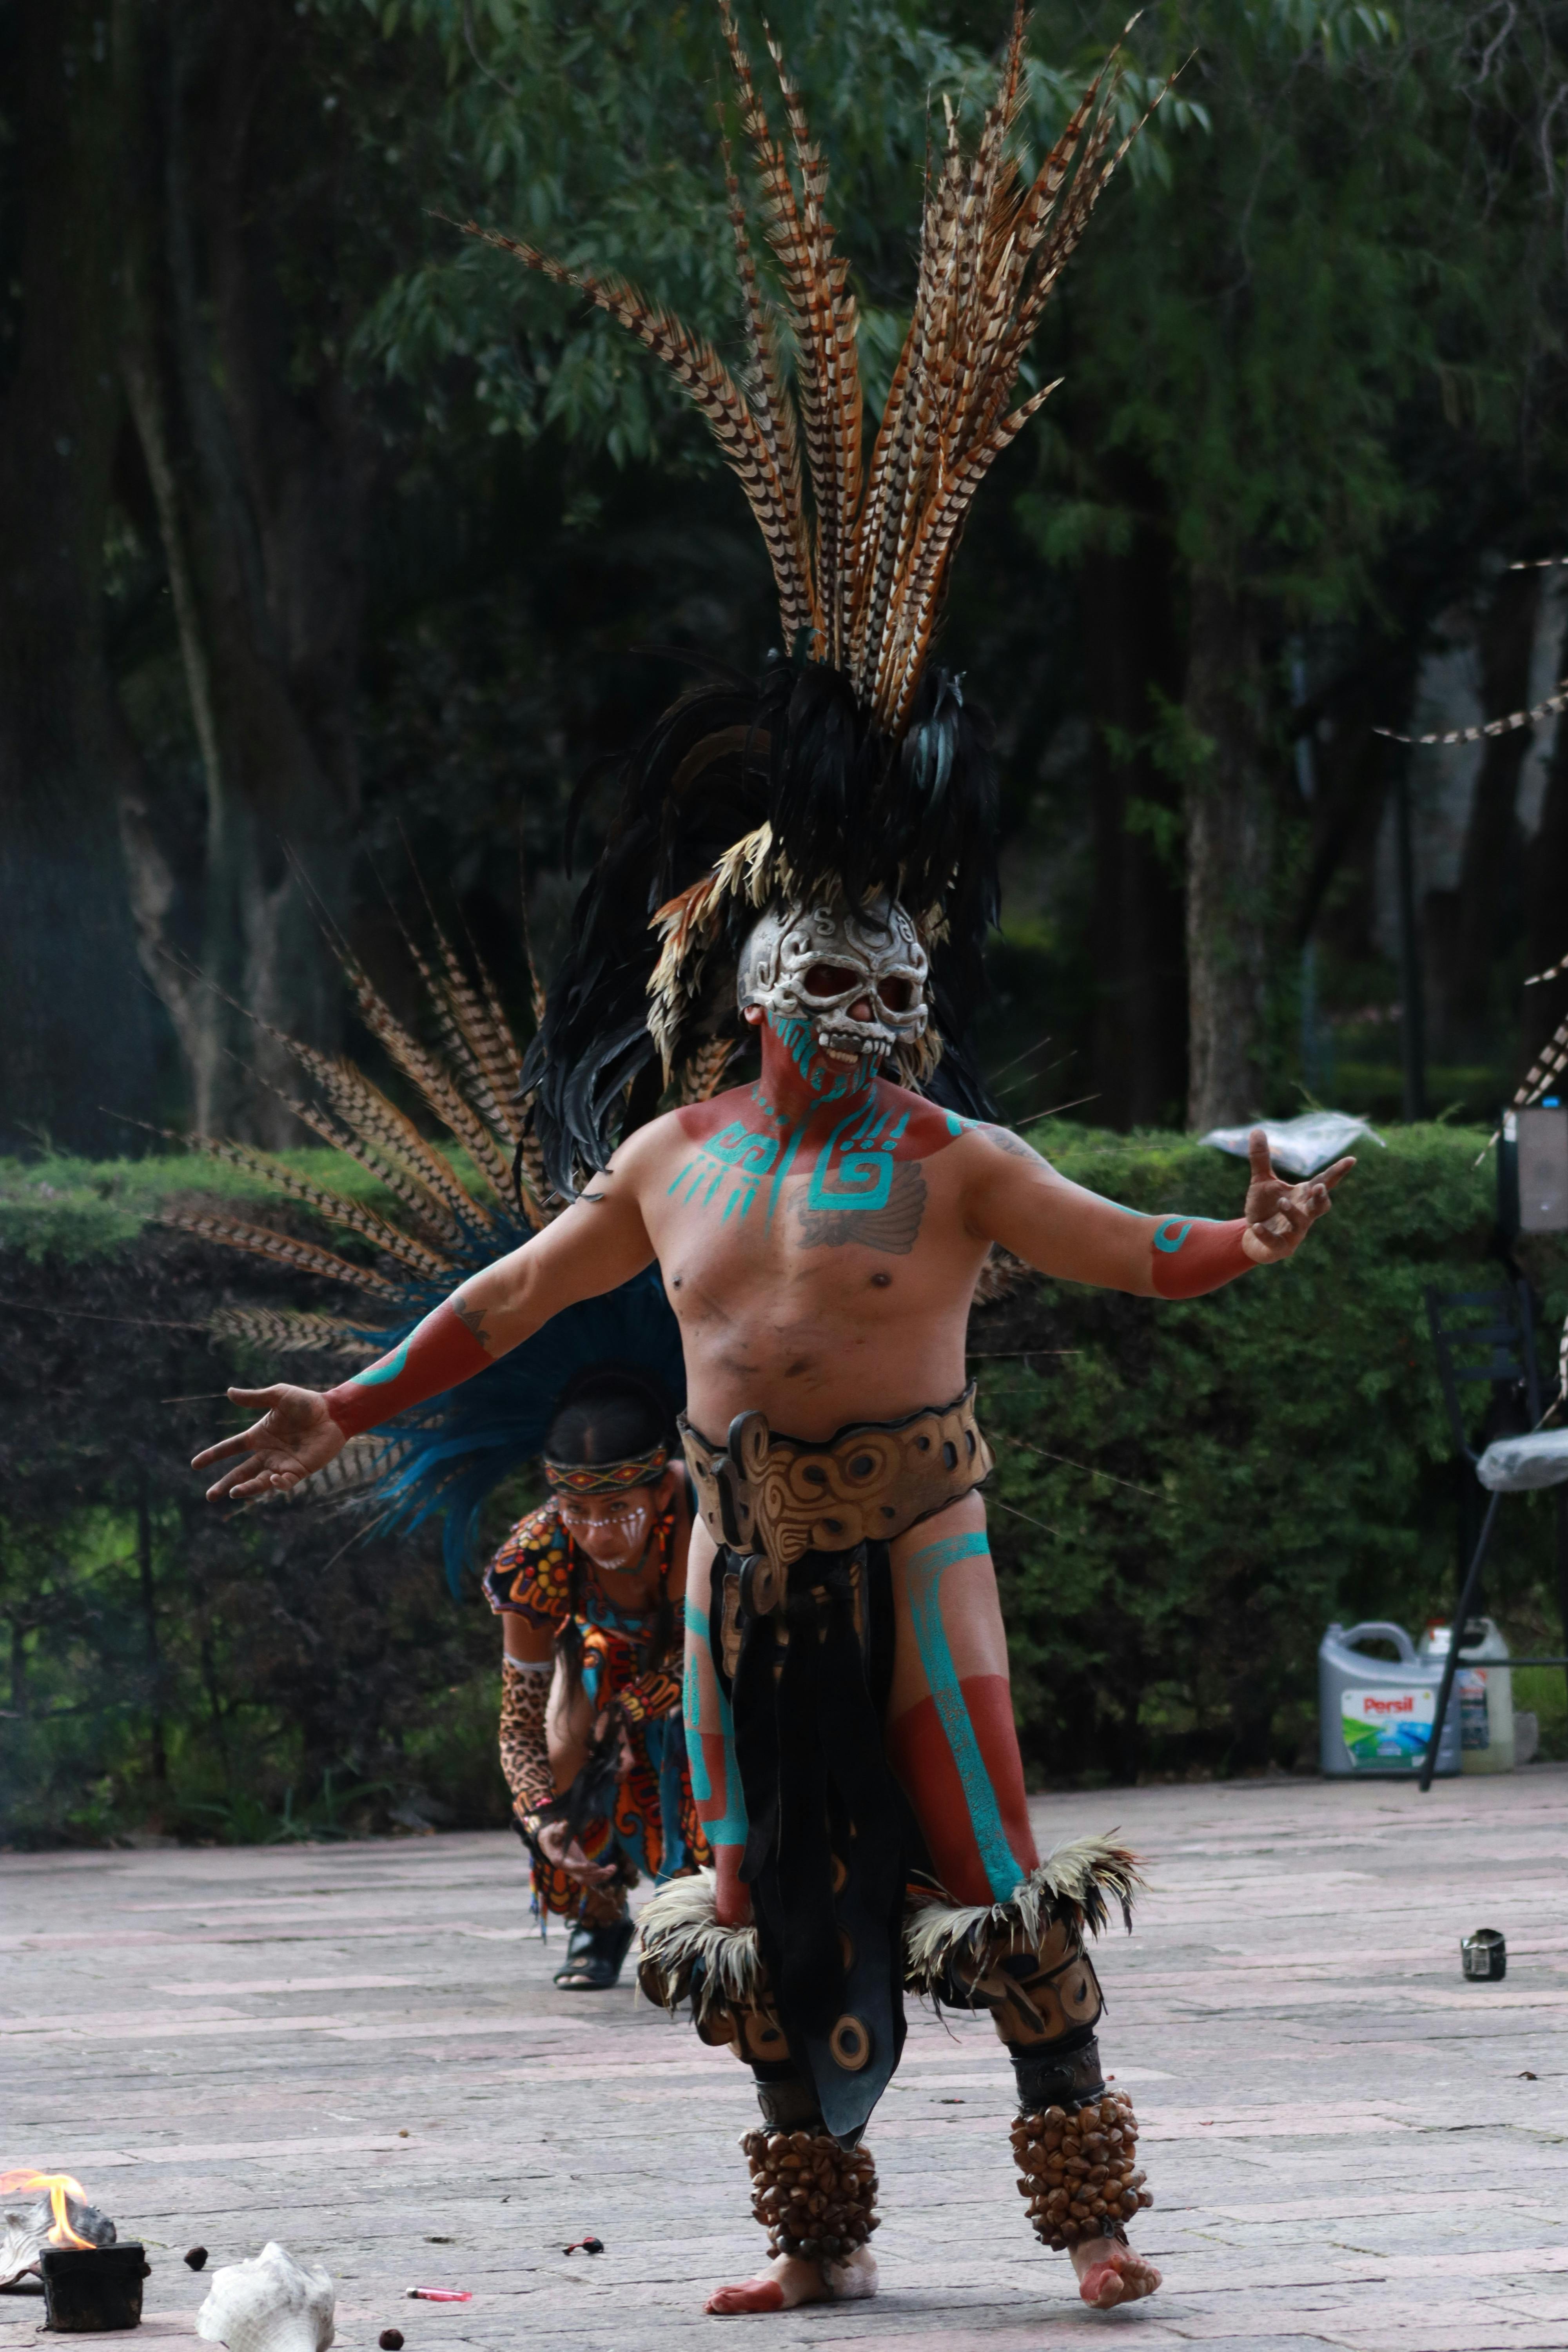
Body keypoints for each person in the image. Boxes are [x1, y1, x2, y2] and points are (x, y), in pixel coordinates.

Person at [193, 5, 1354, 2321]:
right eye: (853, 995)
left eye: (912, 997)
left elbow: (1139, 1256)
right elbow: (509, 1303)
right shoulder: (679, 1165)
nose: (894, 1025)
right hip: (737, 1561)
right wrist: (363, 1399)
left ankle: (1091, 2215)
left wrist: (1255, 1227)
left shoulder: (958, 1158)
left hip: (920, 1536)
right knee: (761, 1904)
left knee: (987, 1868)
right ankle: (811, 2242)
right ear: (758, 1002)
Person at [489, 1365, 704, 1989]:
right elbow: (520, 1722)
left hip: (712, 1660)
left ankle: (708, 1917)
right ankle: (599, 1914)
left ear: (662, 1490)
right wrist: (540, 1816)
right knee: (563, 1753)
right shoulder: (534, 1557)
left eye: (617, 1509)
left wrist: (635, 1710)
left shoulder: (709, 1515)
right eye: (577, 1511)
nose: (598, 1534)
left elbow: (713, 1652)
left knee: (703, 1752)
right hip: (594, 1657)